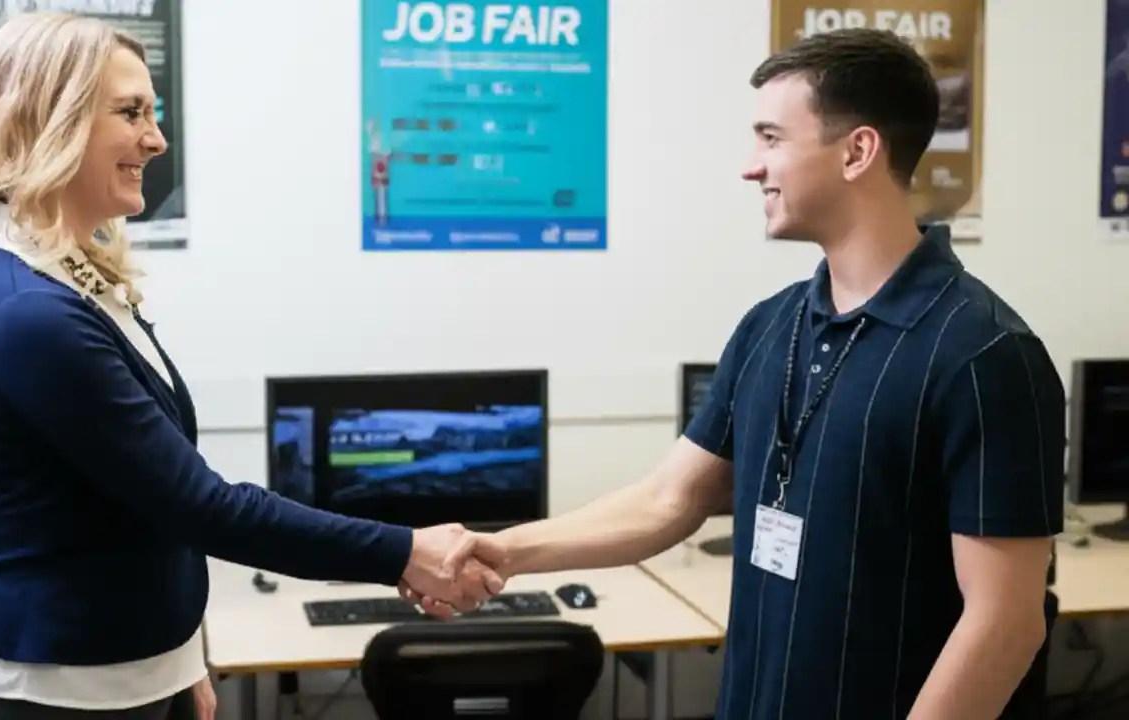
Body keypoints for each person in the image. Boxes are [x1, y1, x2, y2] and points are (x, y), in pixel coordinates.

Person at [428, 28, 1067, 720]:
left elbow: (1005, 624)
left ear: (857, 151)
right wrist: (503, 551)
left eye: (771, 138)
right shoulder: (771, 326)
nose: (750, 167)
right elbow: (669, 502)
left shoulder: (984, 355)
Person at [0, 12, 498, 720]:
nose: (157, 139)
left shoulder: (72, 282)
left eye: (154, 114)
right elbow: (199, 505)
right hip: (49, 697)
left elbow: (142, 503)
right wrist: (404, 551)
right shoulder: (30, 315)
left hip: (131, 679)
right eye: (132, 112)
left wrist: (181, 655)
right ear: (51, 120)